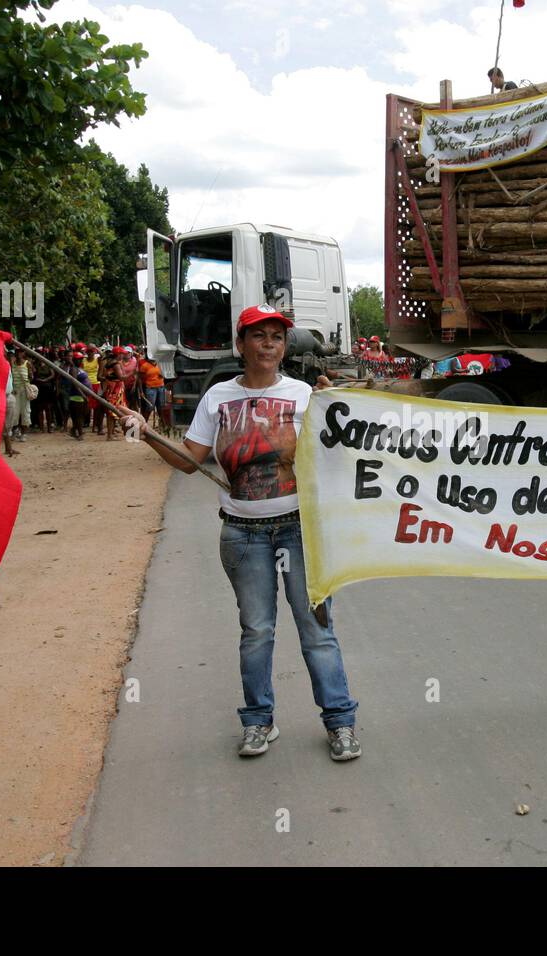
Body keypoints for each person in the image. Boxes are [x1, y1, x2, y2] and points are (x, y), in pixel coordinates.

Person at [123, 304, 361, 761]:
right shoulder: (217, 398)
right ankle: (258, 722)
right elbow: (191, 461)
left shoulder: (307, 395)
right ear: (241, 345)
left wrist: (344, 407)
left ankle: (340, 723)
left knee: (317, 631)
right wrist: (145, 433)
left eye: (277, 336)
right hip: (242, 534)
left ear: (284, 346)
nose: (269, 343)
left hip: (298, 531)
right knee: (257, 631)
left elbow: (339, 451)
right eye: (259, 336)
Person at [63, 352, 91, 440]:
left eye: (81, 359)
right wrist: (82, 394)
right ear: (75, 360)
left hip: (83, 394)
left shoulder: (79, 368)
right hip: (76, 395)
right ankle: (80, 433)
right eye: (79, 359)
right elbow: (75, 383)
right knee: (78, 415)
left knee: (84, 413)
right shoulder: (74, 369)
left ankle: (74, 429)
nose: (81, 360)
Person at [101, 348, 127, 440]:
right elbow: (121, 377)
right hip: (115, 390)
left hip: (113, 389)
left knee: (113, 412)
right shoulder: (116, 364)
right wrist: (132, 374)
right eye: (122, 354)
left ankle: (111, 433)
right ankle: (110, 435)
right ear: (118, 354)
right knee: (112, 412)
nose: (123, 356)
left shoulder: (110, 363)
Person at [138, 352, 167, 425]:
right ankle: (144, 424)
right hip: (150, 388)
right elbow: (140, 379)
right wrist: (141, 391)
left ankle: (163, 425)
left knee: (161, 407)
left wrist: (163, 375)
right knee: (149, 407)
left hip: (161, 387)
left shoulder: (159, 364)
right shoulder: (144, 366)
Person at [11, 352, 31, 442]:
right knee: (14, 413)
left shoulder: (27, 363)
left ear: (23, 353)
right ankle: (16, 431)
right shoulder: (12, 364)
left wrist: (28, 381)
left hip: (24, 391)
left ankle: (24, 433)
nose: (19, 353)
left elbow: (32, 375)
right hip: (15, 391)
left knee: (25, 412)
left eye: (21, 351)